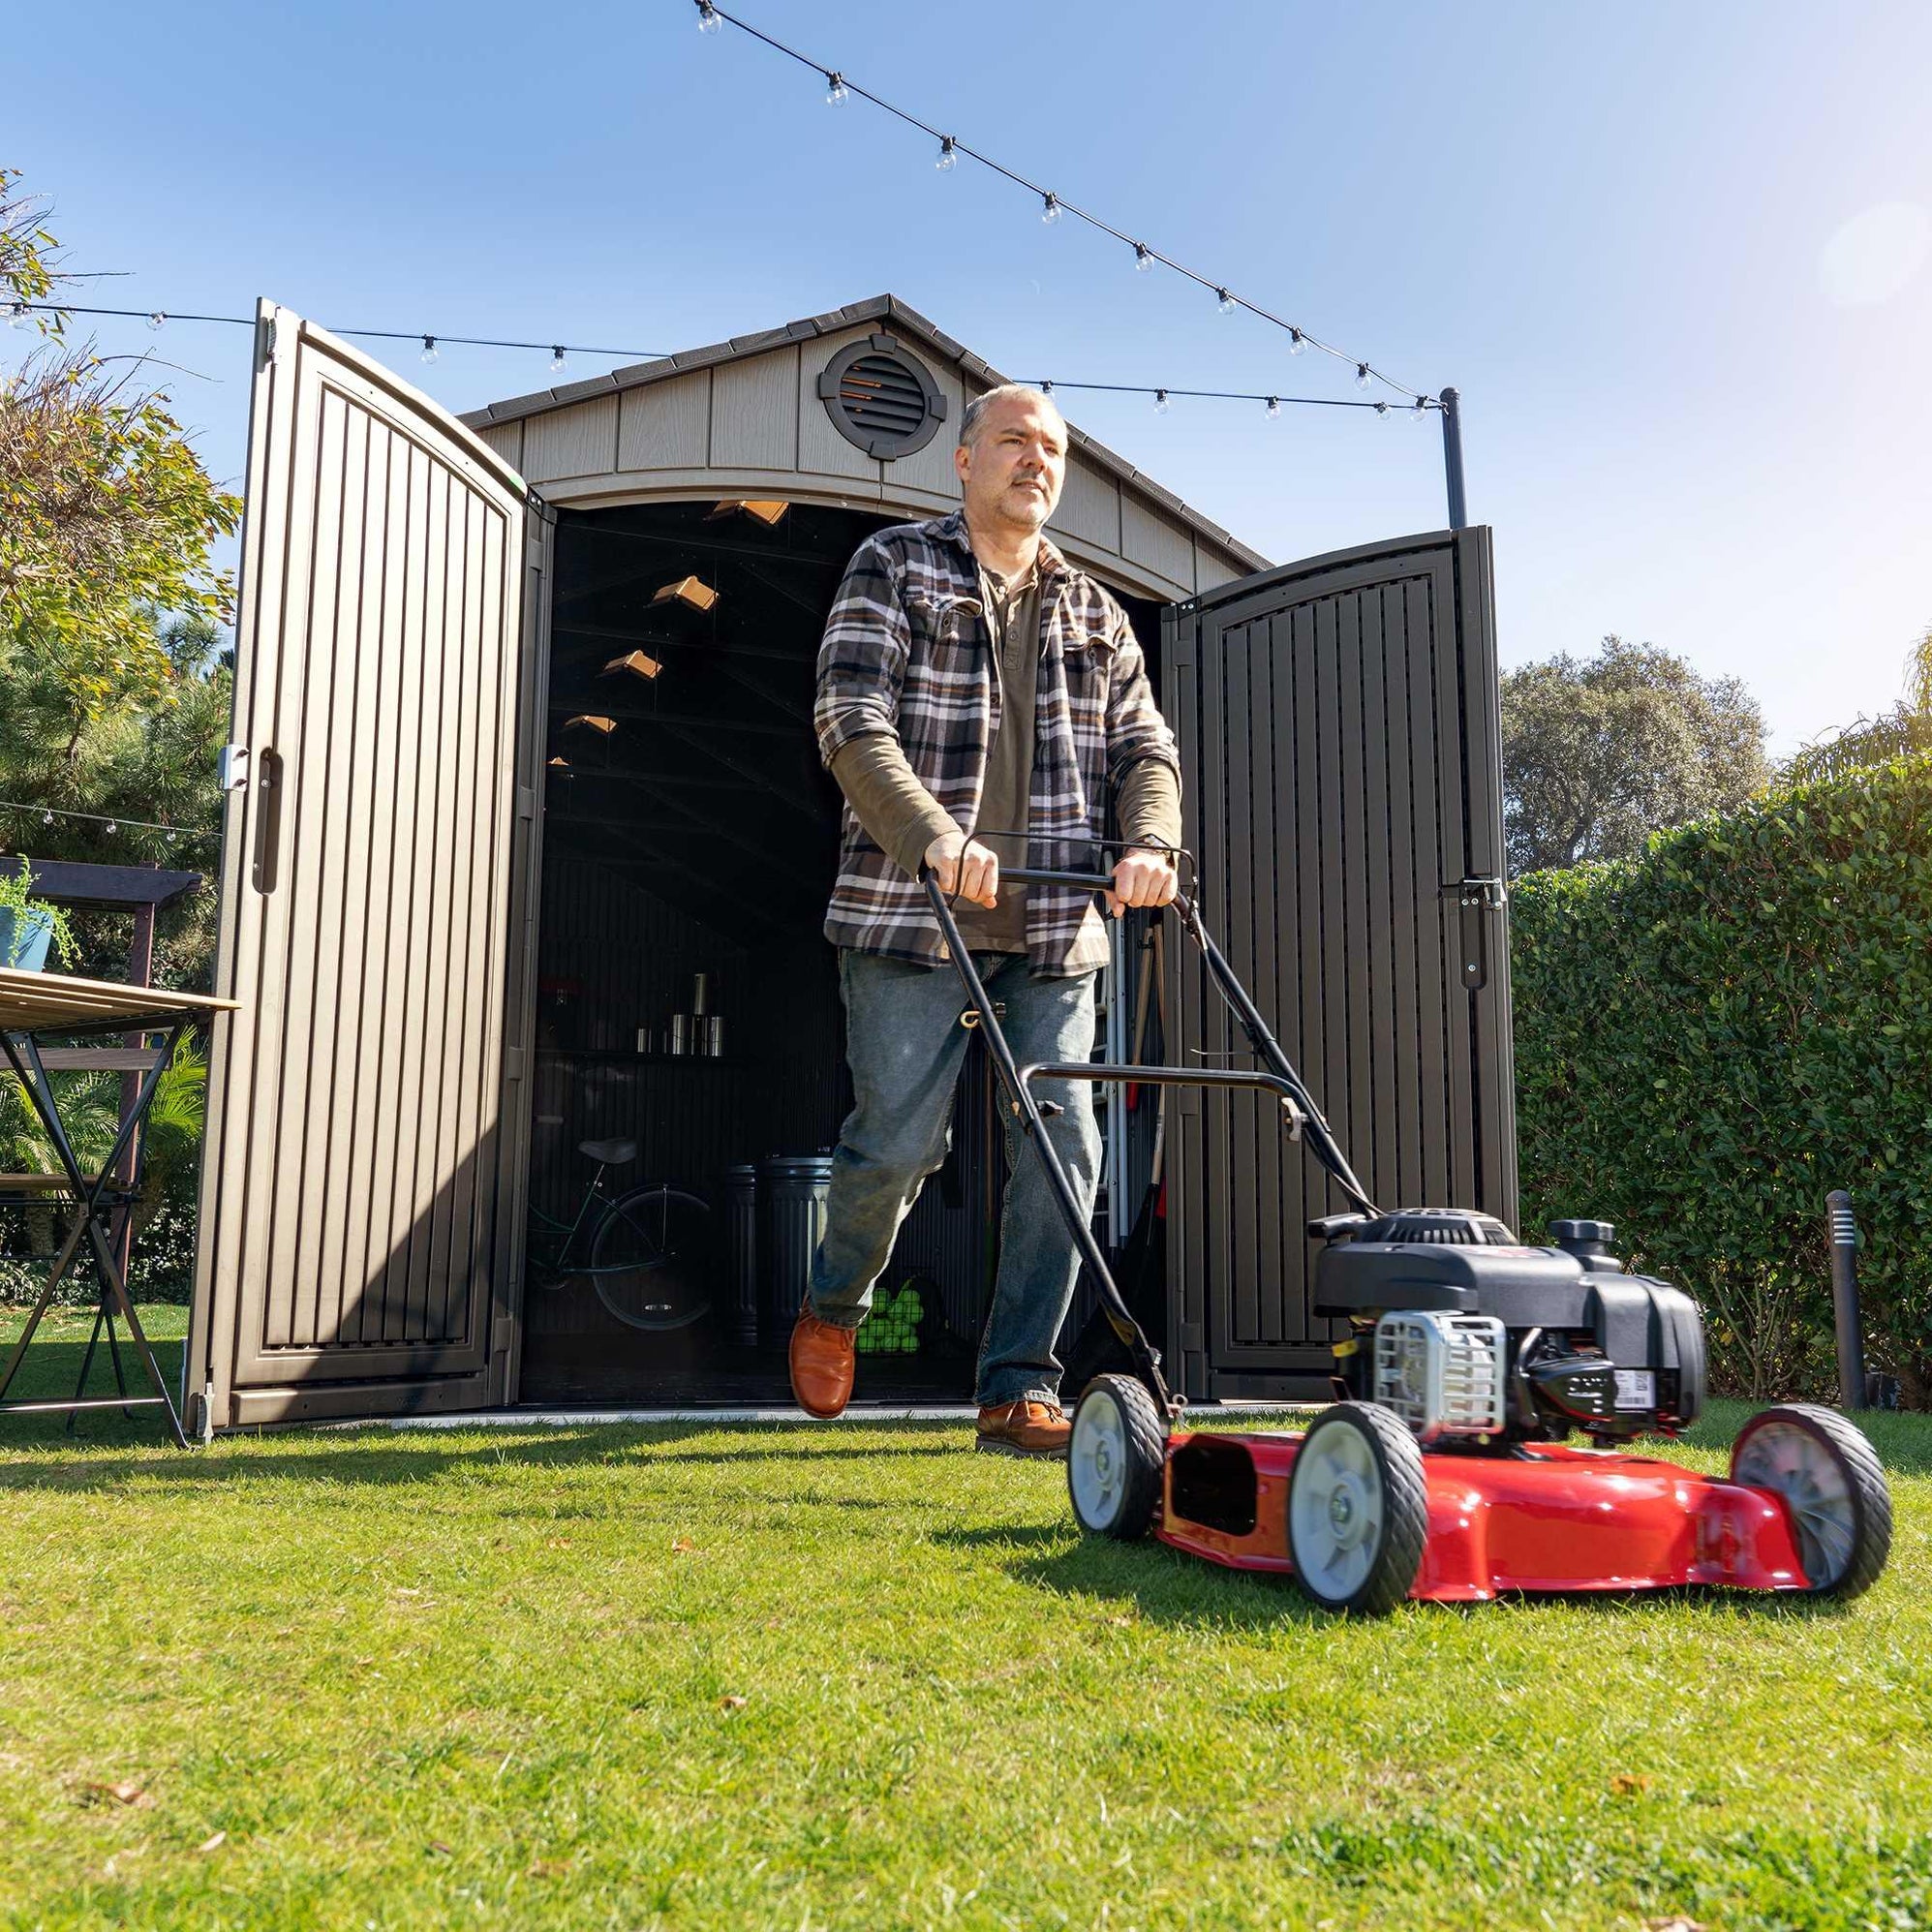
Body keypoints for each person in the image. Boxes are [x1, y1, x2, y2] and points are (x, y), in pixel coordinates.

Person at [791, 383, 1181, 1457]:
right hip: (910, 913)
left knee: (1067, 1148)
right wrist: (931, 836)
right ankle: (834, 1305)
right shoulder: (895, 566)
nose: (1035, 460)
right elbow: (849, 716)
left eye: (1050, 447)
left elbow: (1145, 750)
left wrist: (1149, 844)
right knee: (898, 1147)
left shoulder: (1096, 612)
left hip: (1054, 930)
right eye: (1012, 440)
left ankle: (1019, 1386)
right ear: (963, 461)